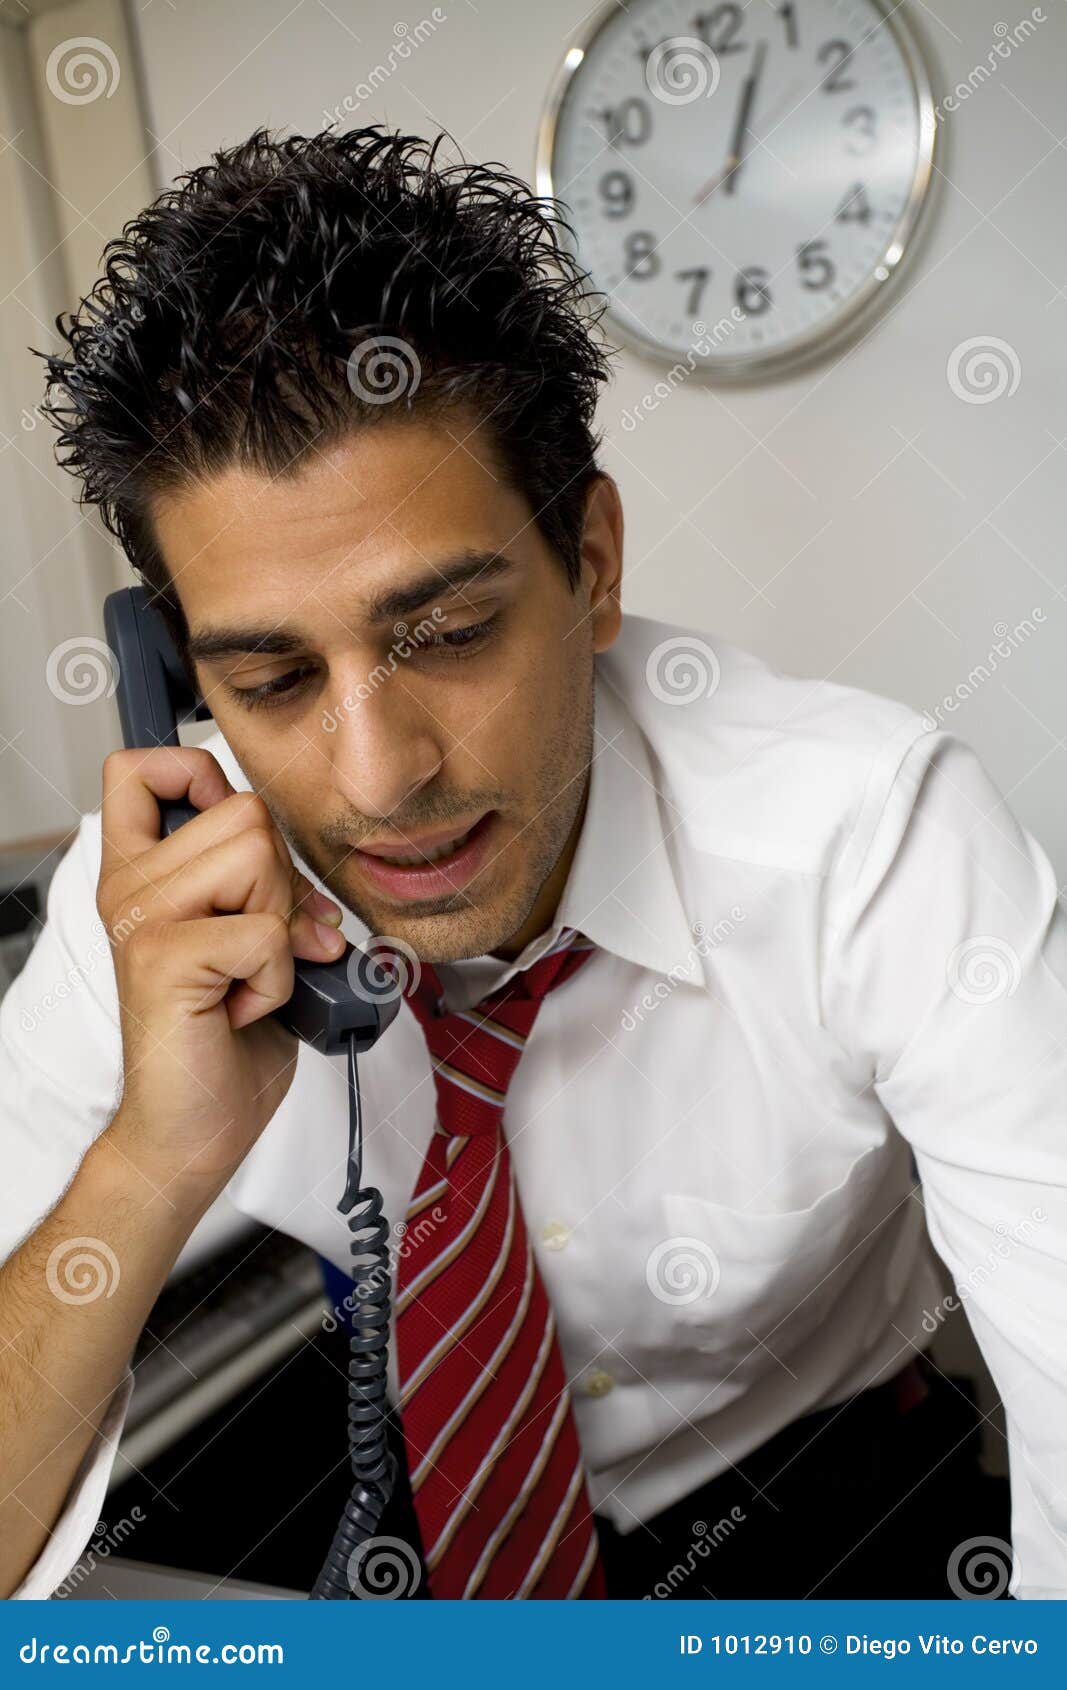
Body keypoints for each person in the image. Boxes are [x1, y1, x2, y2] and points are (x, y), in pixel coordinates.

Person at [0, 127, 1060, 1601]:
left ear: (596, 562)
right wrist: (149, 1156)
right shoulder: (160, 890)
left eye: (446, 634)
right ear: (179, 675)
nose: (380, 780)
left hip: (828, 1494)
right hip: (409, 1475)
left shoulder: (874, 838)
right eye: (273, 678)